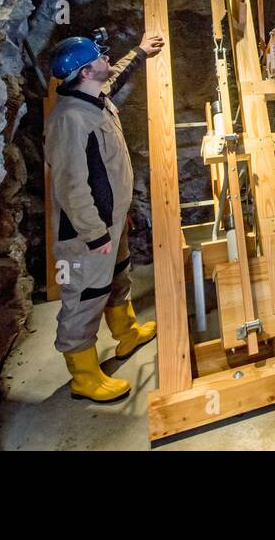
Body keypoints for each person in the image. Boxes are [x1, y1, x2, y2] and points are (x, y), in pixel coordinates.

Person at [45, 27, 165, 403]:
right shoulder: (69, 119)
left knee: (117, 276)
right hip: (86, 232)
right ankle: (84, 376)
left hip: (111, 220)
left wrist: (141, 52)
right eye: (99, 58)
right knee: (86, 295)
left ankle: (126, 334)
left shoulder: (95, 97)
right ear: (84, 72)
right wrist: (96, 233)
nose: (106, 60)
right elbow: (71, 186)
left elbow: (119, 72)